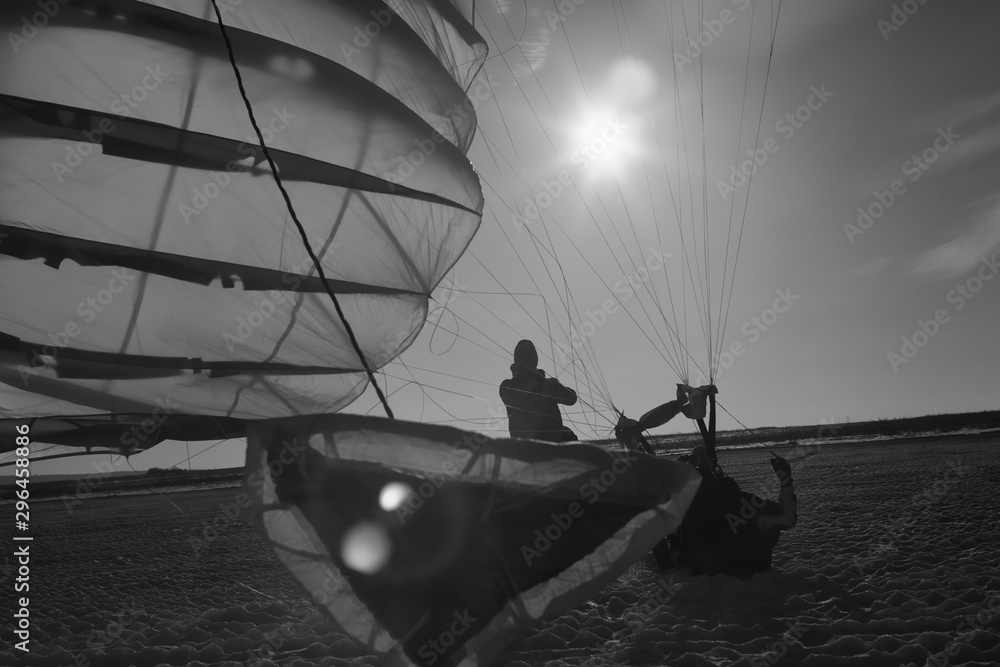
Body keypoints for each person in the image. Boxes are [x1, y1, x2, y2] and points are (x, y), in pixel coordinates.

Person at [616, 384, 797, 577]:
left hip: (704, 567)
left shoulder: (679, 508)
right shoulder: (745, 503)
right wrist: (785, 479)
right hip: (751, 567)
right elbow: (788, 518)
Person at [499, 340, 578, 442]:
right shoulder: (507, 386)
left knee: (568, 434)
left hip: (552, 447)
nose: (527, 358)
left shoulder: (546, 384)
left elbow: (571, 398)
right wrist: (539, 379)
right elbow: (512, 396)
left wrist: (553, 384)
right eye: (523, 355)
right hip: (528, 450)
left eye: (529, 354)